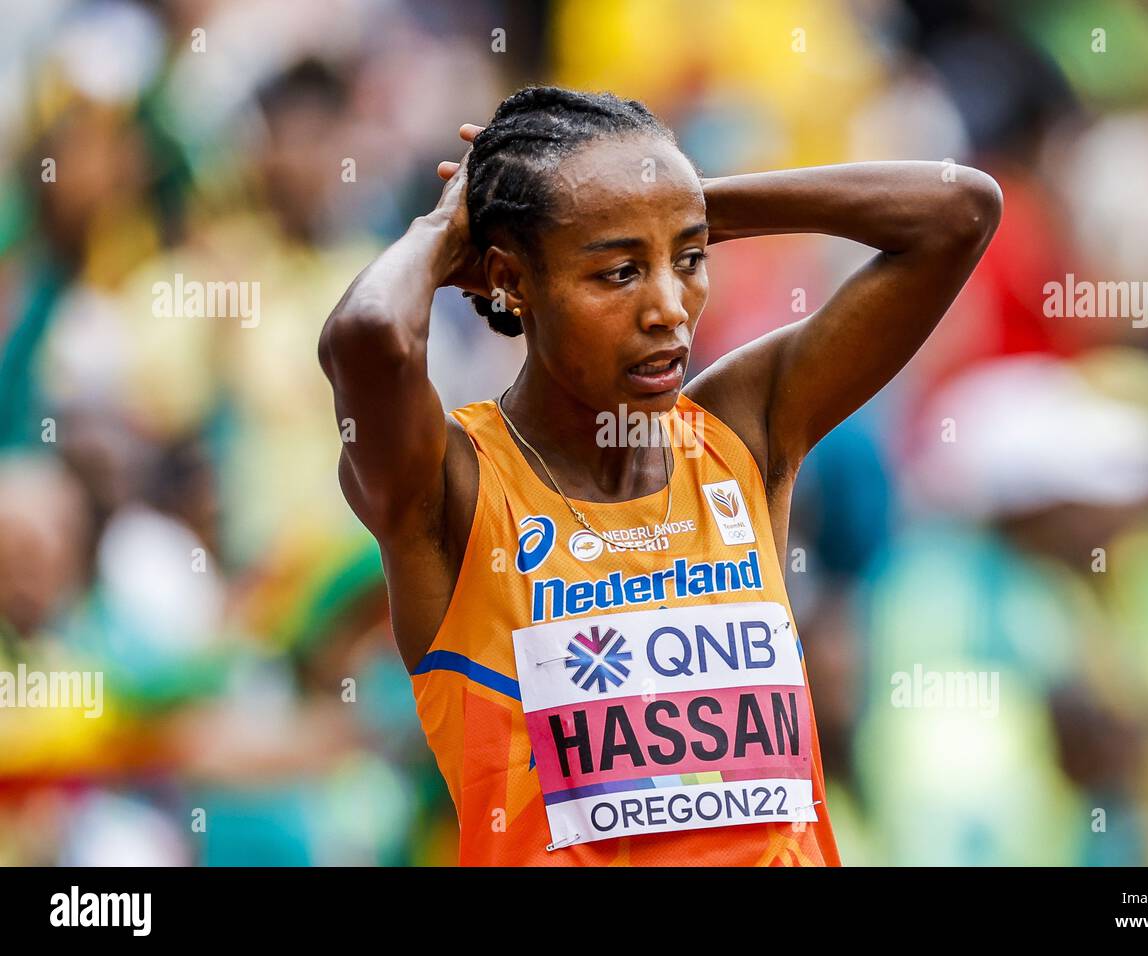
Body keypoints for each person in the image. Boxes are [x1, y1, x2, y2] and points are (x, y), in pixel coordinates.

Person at [318, 86, 1001, 866]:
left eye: (689, 260)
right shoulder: (454, 490)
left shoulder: (742, 435)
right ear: (510, 277)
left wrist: (653, 201)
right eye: (617, 273)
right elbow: (369, 335)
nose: (669, 309)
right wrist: (450, 229)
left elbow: (960, 211)